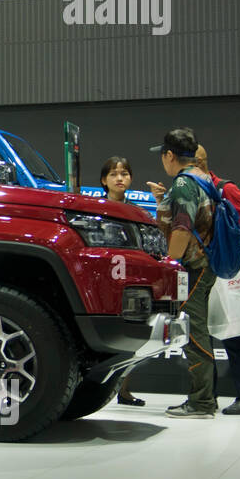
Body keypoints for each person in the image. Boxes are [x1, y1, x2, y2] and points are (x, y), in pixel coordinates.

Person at [149, 128, 218, 419]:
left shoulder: (183, 184)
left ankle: (202, 402)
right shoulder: (202, 178)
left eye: (163, 156)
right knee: (199, 332)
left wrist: (168, 262)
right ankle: (205, 399)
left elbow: (181, 229)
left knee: (196, 335)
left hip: (193, 267)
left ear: (169, 155)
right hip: (205, 265)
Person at [194, 144, 240, 416]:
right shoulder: (197, 192)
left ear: (198, 163)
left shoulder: (226, 189)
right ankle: (208, 397)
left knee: (234, 336)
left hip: (226, 271)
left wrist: (217, 232)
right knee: (204, 335)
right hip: (205, 272)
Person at [100, 156, 145, 407]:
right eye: (114, 174)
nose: (120, 178)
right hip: (106, 280)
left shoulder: (136, 210)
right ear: (103, 180)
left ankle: (124, 390)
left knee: (131, 335)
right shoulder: (95, 209)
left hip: (131, 279)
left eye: (125, 173)